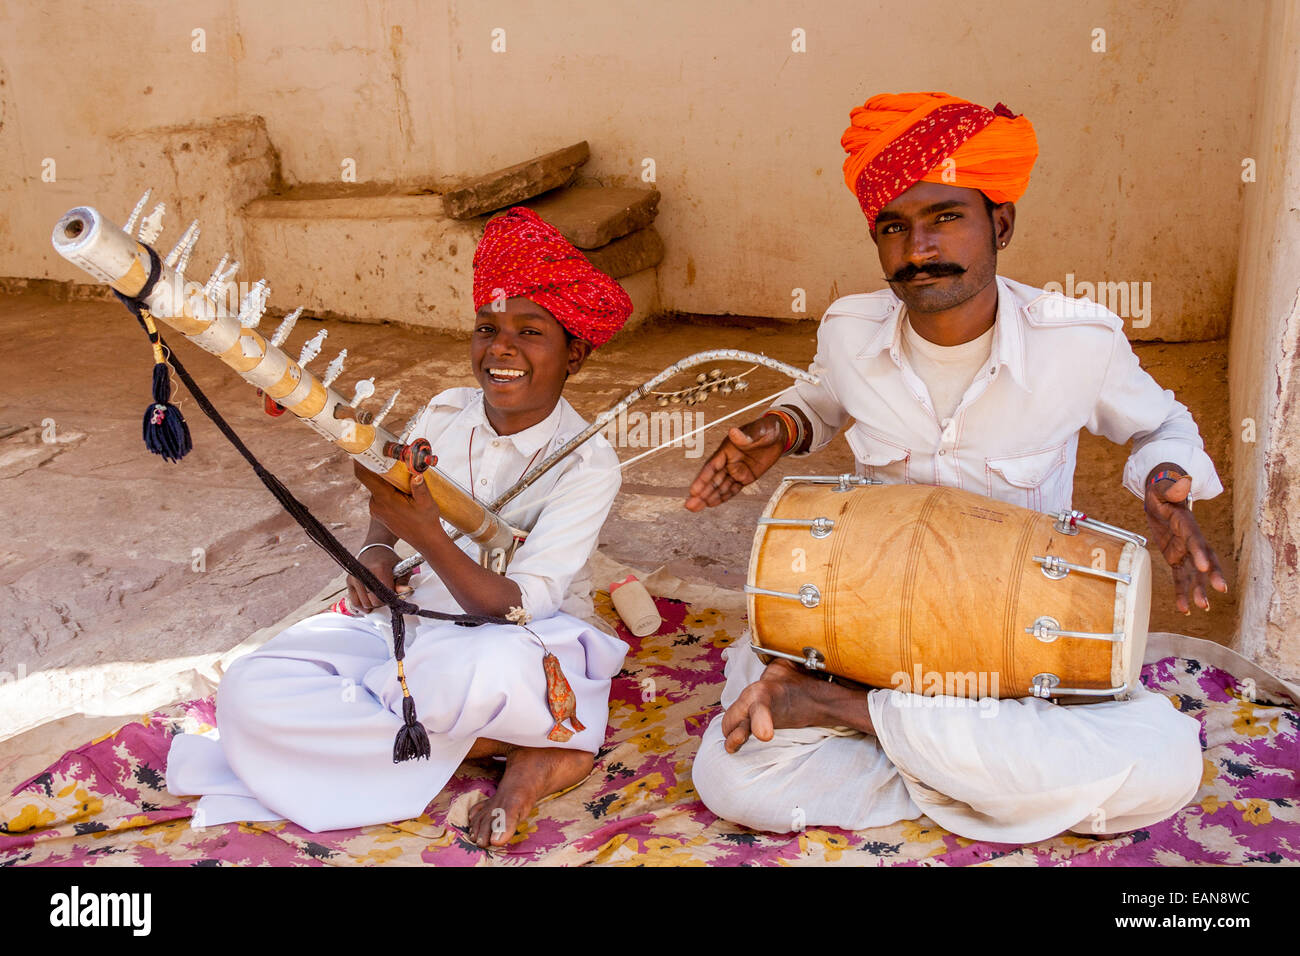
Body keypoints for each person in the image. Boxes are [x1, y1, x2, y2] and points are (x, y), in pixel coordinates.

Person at [684, 92, 1230, 843]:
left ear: (999, 223)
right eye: (894, 227)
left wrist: (1168, 481)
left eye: (945, 217)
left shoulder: (1078, 342)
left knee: (1166, 765)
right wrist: (783, 427)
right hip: (863, 630)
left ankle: (868, 726)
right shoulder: (850, 330)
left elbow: (1162, 421)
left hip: (1015, 648)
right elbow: (821, 396)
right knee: (730, 776)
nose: (918, 249)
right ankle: (976, 773)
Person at [167, 207, 634, 847]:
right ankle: (509, 740)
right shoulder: (444, 412)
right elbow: (388, 503)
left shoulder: (588, 464)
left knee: (463, 677)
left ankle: (517, 766)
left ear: (573, 354)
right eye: (486, 328)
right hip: (411, 619)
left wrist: (427, 536)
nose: (501, 348)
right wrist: (377, 552)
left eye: (530, 332)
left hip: (518, 636)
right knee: (251, 688)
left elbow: (518, 607)